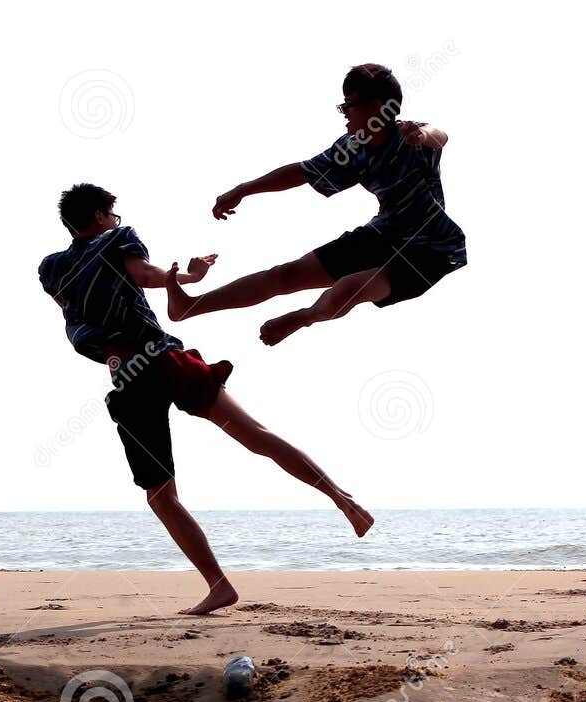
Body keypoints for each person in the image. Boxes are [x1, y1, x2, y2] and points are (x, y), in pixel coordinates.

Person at [38, 183, 372, 615]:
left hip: (128, 375)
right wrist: (188, 278)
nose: (115, 221)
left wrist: (169, 285)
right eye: (112, 215)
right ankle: (344, 501)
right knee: (256, 435)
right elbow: (143, 275)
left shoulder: (53, 269)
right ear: (101, 217)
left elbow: (83, 317)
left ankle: (219, 585)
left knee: (161, 495)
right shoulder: (115, 240)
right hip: (162, 359)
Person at [165, 63, 467, 347]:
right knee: (284, 275)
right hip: (384, 233)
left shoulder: (409, 136)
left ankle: (304, 317)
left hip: (432, 250)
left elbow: (439, 137)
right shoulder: (352, 148)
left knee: (350, 287)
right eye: (342, 106)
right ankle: (190, 306)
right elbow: (300, 172)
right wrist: (243, 190)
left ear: (377, 107)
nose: (344, 113)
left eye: (349, 105)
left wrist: (420, 134)